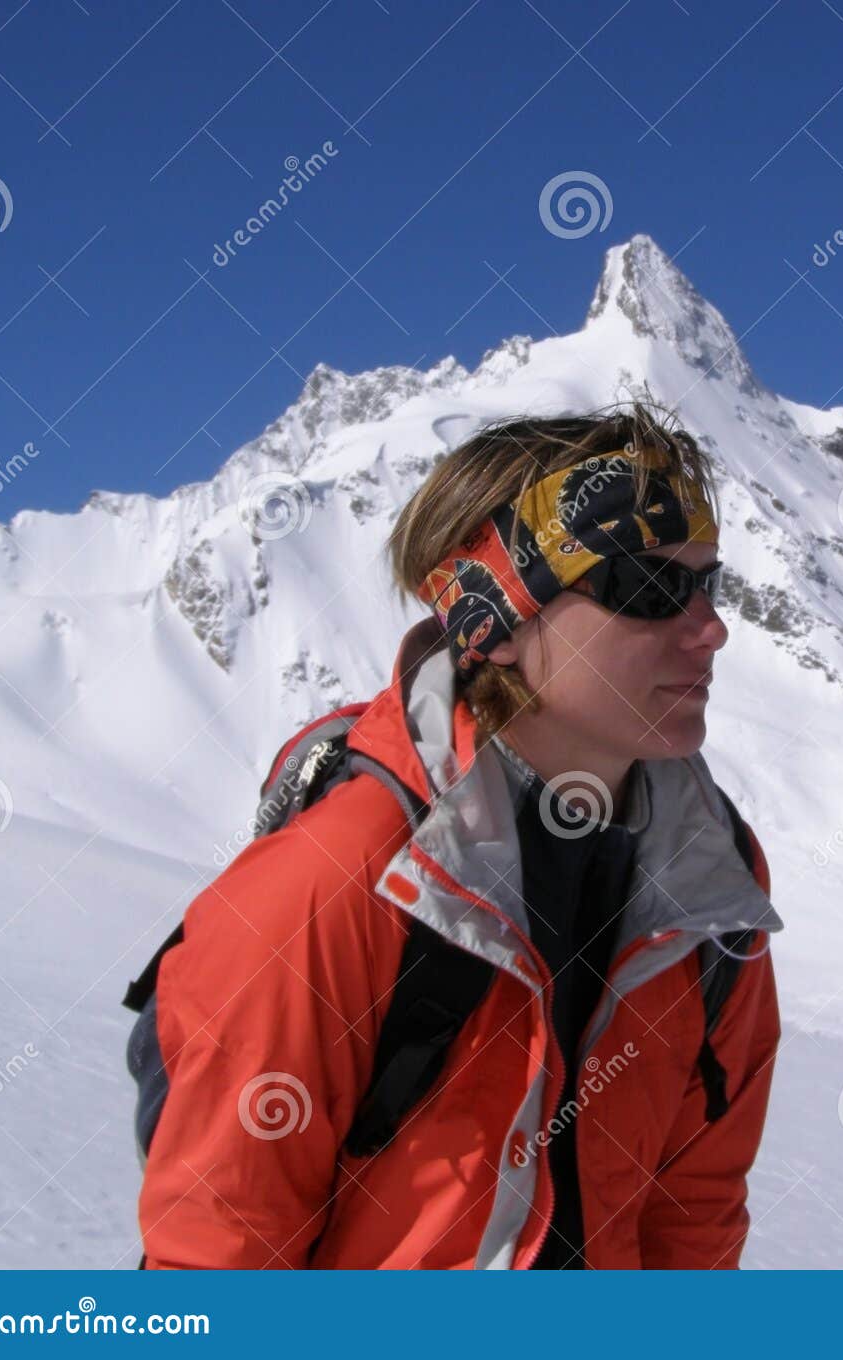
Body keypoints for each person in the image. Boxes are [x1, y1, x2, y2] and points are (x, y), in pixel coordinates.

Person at [133, 404, 783, 1269]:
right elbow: (214, 1262)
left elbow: (694, 1215)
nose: (710, 629)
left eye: (710, 584)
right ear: (503, 623)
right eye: (649, 589)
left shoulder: (713, 877)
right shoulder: (338, 881)